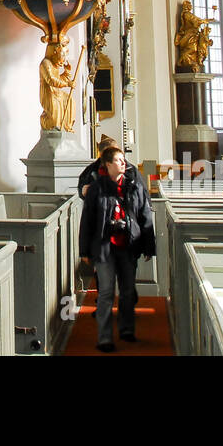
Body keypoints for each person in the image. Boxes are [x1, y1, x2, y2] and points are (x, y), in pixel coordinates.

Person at [78, 147, 155, 352]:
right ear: (108, 165)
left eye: (123, 160)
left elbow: (144, 216)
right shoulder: (96, 188)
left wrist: (149, 246)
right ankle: (104, 338)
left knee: (128, 290)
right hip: (105, 247)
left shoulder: (134, 185)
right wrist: (84, 251)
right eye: (119, 160)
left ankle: (127, 329)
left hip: (128, 245)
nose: (123, 163)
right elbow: (87, 220)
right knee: (105, 292)